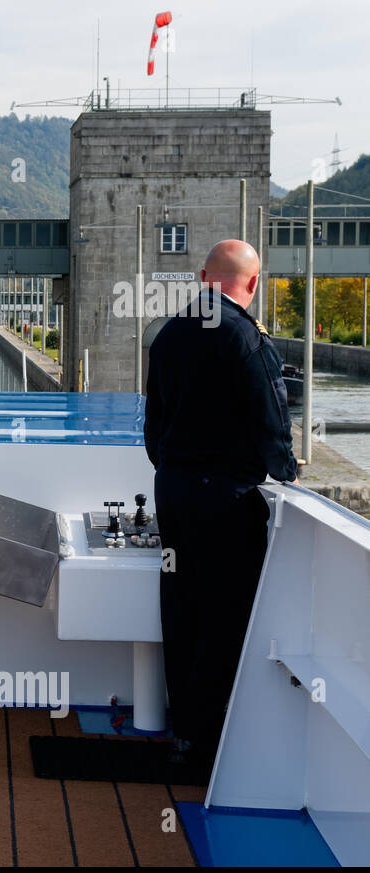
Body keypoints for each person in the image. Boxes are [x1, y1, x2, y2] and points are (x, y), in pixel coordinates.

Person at [143, 239, 298, 779]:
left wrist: (173, 471)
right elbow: (271, 417)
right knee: (226, 615)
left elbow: (153, 428)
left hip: (175, 492)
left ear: (200, 276)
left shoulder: (167, 336)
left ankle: (181, 731)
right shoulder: (245, 337)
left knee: (181, 609)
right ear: (252, 285)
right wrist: (287, 471)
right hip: (227, 501)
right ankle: (212, 742)